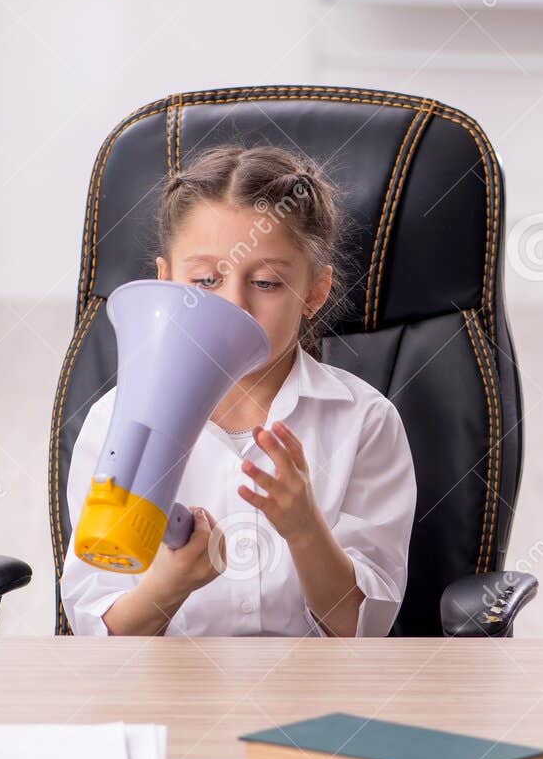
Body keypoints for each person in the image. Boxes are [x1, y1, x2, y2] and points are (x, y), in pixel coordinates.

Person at [60, 144, 418, 637]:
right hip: (168, 685)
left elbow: (363, 629)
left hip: (315, 683)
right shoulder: (116, 421)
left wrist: (305, 530)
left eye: (267, 282)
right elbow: (96, 632)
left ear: (314, 292)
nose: (233, 305)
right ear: (166, 282)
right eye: (206, 279)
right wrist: (169, 586)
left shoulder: (364, 422)